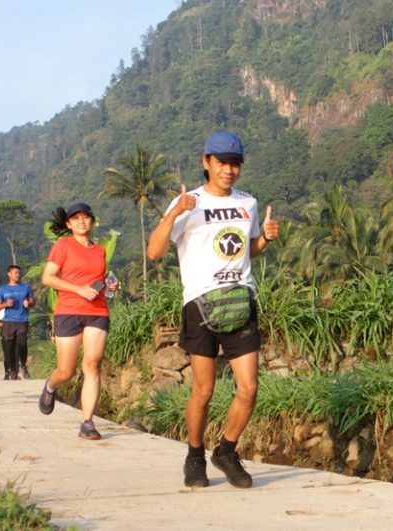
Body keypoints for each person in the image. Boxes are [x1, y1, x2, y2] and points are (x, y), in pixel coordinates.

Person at [146, 130, 279, 489]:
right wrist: (173, 213)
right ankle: (194, 456)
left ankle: (226, 450)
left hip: (240, 300)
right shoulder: (189, 202)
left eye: (235, 163)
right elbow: (154, 252)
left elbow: (245, 250)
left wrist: (264, 238)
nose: (229, 169)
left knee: (249, 388)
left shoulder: (247, 203)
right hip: (200, 305)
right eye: (222, 162)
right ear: (207, 162)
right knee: (203, 391)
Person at [38, 202, 117, 440]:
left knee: (92, 364)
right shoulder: (63, 246)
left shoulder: (100, 251)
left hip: (97, 311)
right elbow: (48, 278)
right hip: (69, 311)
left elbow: (99, 279)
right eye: (76, 218)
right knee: (66, 371)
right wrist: (78, 289)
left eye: (86, 217)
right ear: (69, 224)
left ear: (92, 221)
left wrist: (109, 285)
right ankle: (50, 386)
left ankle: (87, 423)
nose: (82, 221)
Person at [0, 265, 35, 380]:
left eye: (19, 273)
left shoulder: (26, 287)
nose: (18, 275)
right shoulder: (3, 289)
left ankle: (23, 364)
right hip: (8, 322)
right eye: (16, 273)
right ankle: (13, 371)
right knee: (9, 347)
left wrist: (29, 303)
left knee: (22, 343)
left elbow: (33, 301)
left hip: (22, 320)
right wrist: (5, 305)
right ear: (9, 274)